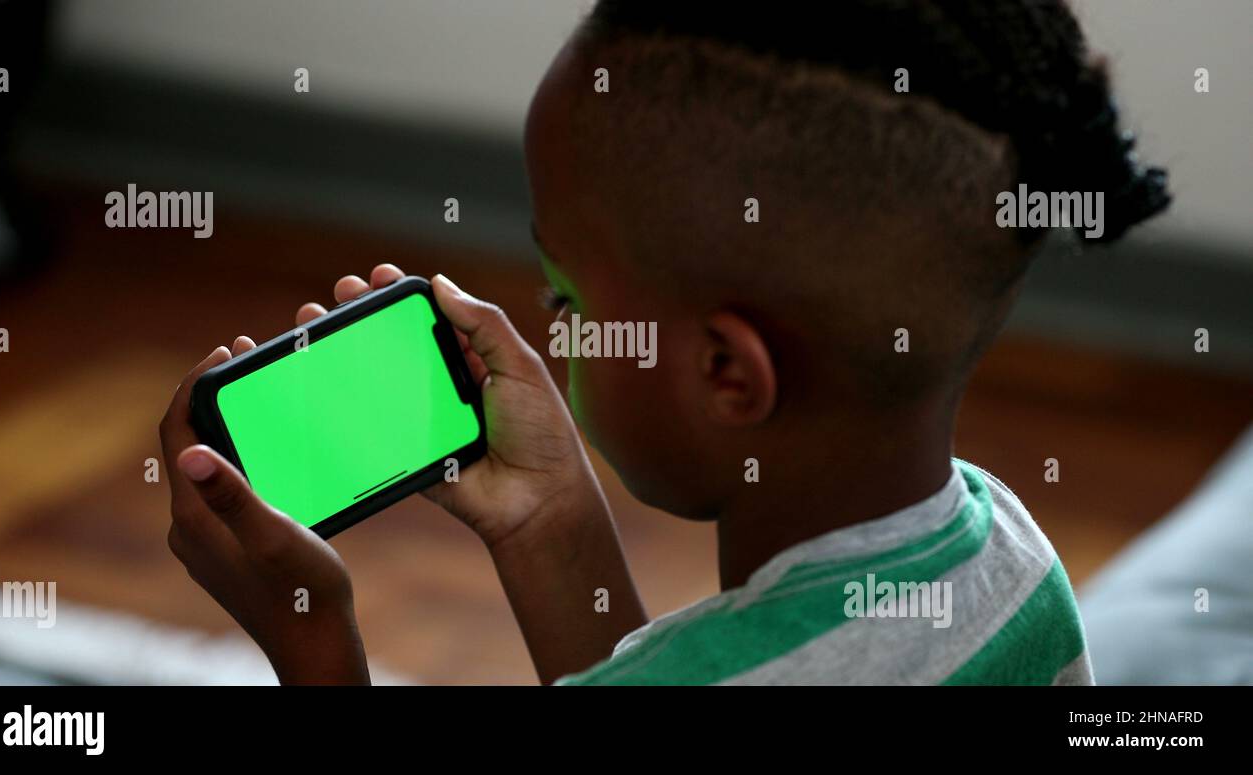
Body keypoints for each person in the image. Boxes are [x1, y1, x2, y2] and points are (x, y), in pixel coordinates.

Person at [158, 1, 1170, 685]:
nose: (551, 333)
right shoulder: (1012, 558)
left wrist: (315, 647)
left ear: (727, 374)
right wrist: (548, 519)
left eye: (566, 299)